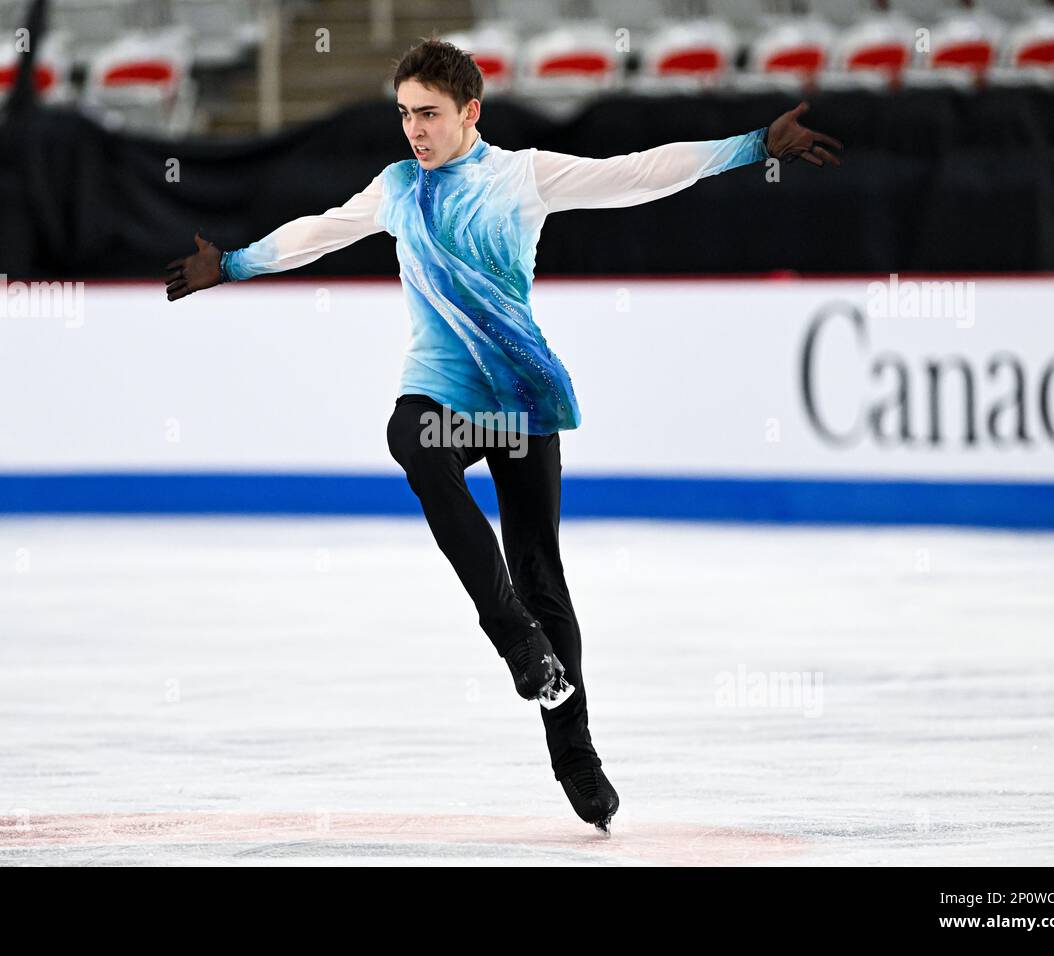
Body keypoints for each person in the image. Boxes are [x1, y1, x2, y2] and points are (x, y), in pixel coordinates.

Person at [164, 38, 843, 833]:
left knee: (540, 570)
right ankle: (516, 641)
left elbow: (636, 172)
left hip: (517, 404)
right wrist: (236, 265)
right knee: (412, 440)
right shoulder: (397, 189)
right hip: (445, 398)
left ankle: (576, 754)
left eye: (429, 114)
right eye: (405, 115)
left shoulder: (521, 177)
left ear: (469, 112)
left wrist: (752, 147)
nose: (414, 130)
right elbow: (320, 231)